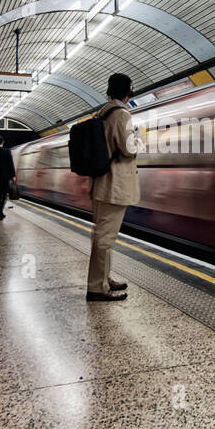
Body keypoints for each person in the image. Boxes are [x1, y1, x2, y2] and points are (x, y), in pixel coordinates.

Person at [86, 73, 139, 302]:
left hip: (102, 182)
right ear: (128, 91)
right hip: (114, 185)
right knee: (105, 238)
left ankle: (104, 278)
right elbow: (129, 148)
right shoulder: (121, 114)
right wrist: (140, 140)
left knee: (104, 235)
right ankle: (97, 287)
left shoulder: (104, 111)